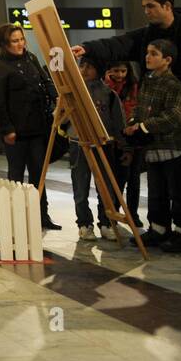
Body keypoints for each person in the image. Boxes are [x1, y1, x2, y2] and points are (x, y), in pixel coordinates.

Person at [75, 0, 181, 245]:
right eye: (144, 7)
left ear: (167, 5)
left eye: (151, 6)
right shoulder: (147, 40)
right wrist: (86, 48)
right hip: (155, 136)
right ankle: (159, 227)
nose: (146, 11)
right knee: (158, 183)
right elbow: (118, 43)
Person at [124, 40, 181, 252]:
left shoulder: (173, 84)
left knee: (178, 193)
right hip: (154, 148)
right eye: (147, 53)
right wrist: (132, 123)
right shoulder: (148, 81)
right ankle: (158, 229)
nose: (148, 57)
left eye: (154, 54)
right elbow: (139, 108)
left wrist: (144, 126)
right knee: (156, 192)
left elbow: (174, 116)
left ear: (167, 60)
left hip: (174, 147)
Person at [0, 23, 61, 230]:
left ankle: (42, 215)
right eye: (15, 41)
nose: (20, 44)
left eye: (21, 39)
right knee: (16, 175)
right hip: (16, 131)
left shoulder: (31, 58)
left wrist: (57, 100)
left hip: (37, 127)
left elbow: (46, 83)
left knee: (39, 173)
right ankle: (17, 218)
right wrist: (7, 129)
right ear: (4, 44)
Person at [69, 55, 126, 241]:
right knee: (80, 185)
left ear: (100, 71)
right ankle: (84, 223)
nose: (84, 70)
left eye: (89, 67)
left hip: (104, 143)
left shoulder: (109, 95)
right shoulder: (71, 92)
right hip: (79, 143)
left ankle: (107, 222)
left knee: (106, 186)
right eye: (82, 66)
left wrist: (125, 147)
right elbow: (62, 119)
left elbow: (118, 123)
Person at [104, 60, 143, 225]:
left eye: (123, 71)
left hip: (133, 137)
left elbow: (137, 108)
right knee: (118, 178)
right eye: (116, 71)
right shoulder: (105, 88)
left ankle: (133, 214)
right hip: (114, 139)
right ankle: (115, 211)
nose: (120, 75)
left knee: (134, 178)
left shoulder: (134, 87)